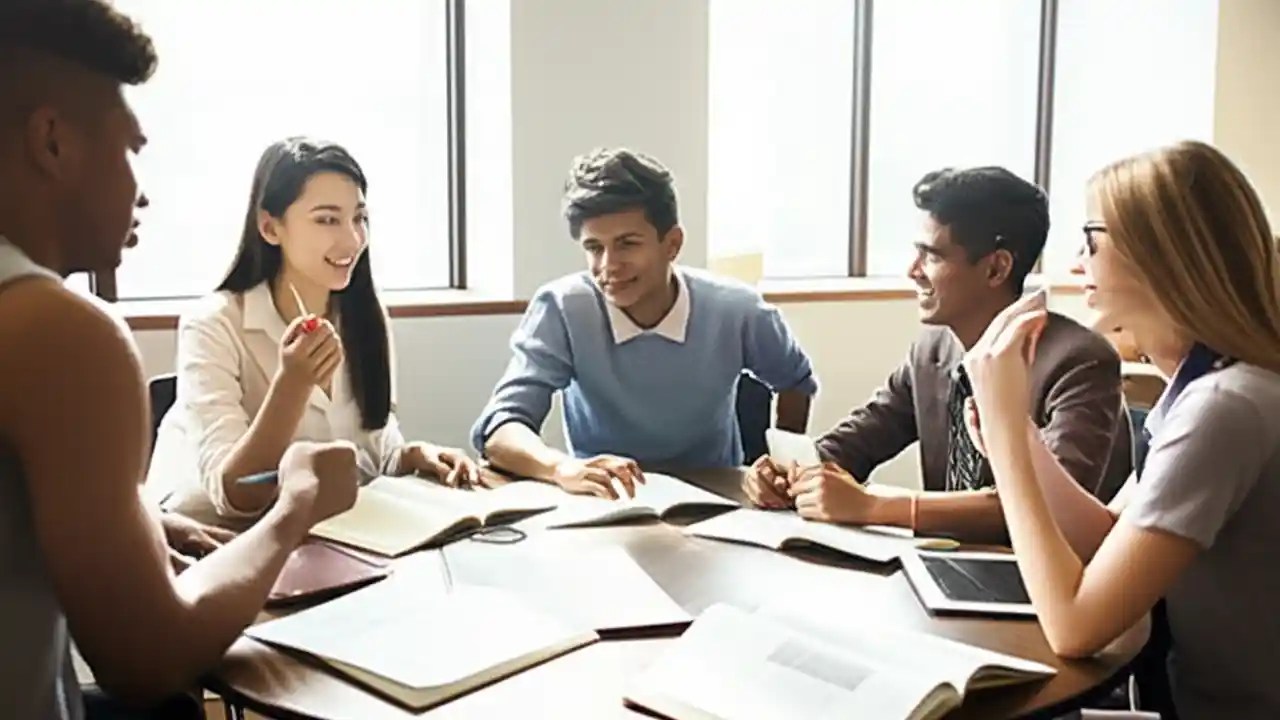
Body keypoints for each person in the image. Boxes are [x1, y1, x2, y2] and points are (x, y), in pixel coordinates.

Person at [0, 2, 360, 717]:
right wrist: (295, 507)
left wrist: (135, 516)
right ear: (52, 141)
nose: (142, 190)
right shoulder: (55, 330)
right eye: (130, 149)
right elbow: (148, 656)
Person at [965, 140, 1280, 720]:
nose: (1077, 263)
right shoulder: (1209, 388)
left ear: (1163, 255)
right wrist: (1025, 444)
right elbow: (1113, 537)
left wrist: (1009, 434)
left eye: (1091, 240)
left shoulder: (1225, 408)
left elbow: (1075, 626)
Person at [743, 167, 1130, 542]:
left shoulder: (1079, 362)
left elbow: (1047, 509)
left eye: (931, 255)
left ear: (996, 268)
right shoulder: (932, 349)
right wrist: (786, 474)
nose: (912, 271)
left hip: (1046, 589)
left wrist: (878, 506)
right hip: (948, 569)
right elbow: (857, 441)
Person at [146, 137, 479, 526]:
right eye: (327, 220)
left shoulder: (363, 316)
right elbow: (235, 494)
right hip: (218, 542)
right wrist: (292, 385)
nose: (353, 239)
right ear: (270, 227)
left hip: (328, 538)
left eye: (359, 218)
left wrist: (412, 456)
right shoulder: (213, 323)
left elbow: (369, 452)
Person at [472, 148, 818, 499]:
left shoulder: (738, 309)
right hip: (604, 500)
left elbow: (796, 381)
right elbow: (500, 428)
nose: (609, 265)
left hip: (715, 501)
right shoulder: (561, 309)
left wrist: (777, 467)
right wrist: (560, 467)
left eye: (627, 244)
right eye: (594, 248)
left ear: (672, 244)